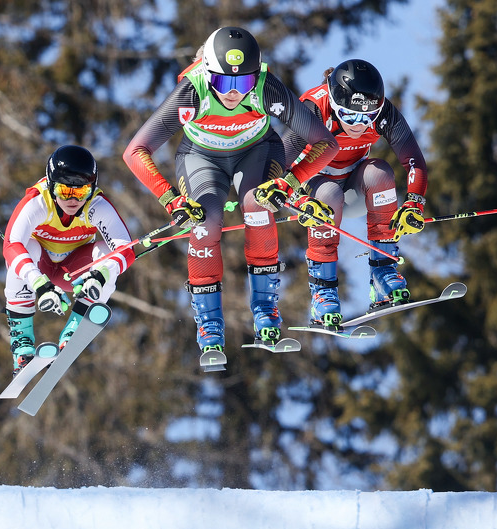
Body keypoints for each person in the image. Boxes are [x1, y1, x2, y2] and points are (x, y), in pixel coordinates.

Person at [123, 26, 338, 356]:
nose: (234, 92)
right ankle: (209, 323)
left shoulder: (266, 88)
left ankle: (266, 311)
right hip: (201, 158)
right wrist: (171, 199)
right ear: (208, 72)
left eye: (244, 82)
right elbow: (135, 151)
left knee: (258, 205)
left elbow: (326, 143)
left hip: (257, 152)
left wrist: (290, 183)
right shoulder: (192, 92)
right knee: (205, 223)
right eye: (224, 82)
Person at [280, 59, 428, 329]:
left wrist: (413, 204)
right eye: (350, 117)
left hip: (353, 189)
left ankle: (383, 273)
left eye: (367, 118)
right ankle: (322, 292)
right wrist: (298, 200)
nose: (359, 125)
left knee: (381, 173)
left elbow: (414, 160)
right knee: (327, 193)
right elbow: (277, 167)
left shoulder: (383, 112)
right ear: (335, 107)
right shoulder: (315, 108)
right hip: (313, 190)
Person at [3, 145, 135, 375]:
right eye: (65, 191)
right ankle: (22, 344)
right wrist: (39, 284)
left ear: (91, 189)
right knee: (28, 248)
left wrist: (101, 274)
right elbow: (11, 246)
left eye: (81, 191)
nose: (73, 199)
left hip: (74, 272)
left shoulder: (96, 205)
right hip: (40, 269)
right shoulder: (38, 201)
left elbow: (125, 248)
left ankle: (75, 329)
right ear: (52, 186)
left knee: (107, 254)